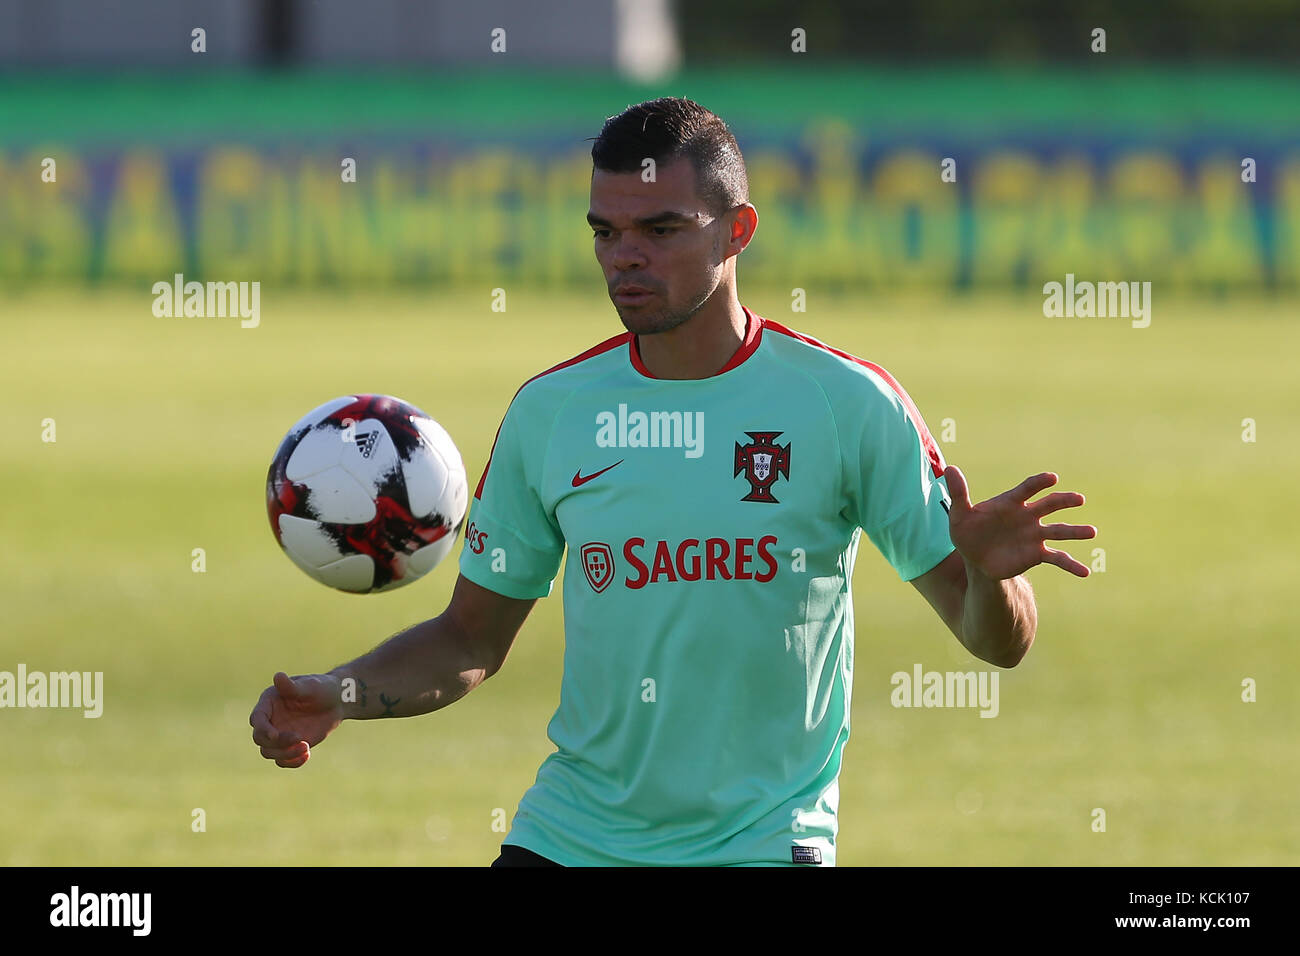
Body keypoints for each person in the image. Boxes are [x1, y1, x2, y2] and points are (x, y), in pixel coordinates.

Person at [249, 97, 1096, 867]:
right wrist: (345, 693)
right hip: (567, 839)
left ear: (737, 231)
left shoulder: (845, 406)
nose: (625, 259)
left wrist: (988, 577)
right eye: (606, 233)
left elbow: (997, 642)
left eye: (660, 230)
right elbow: (469, 640)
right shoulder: (553, 412)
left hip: (761, 848)